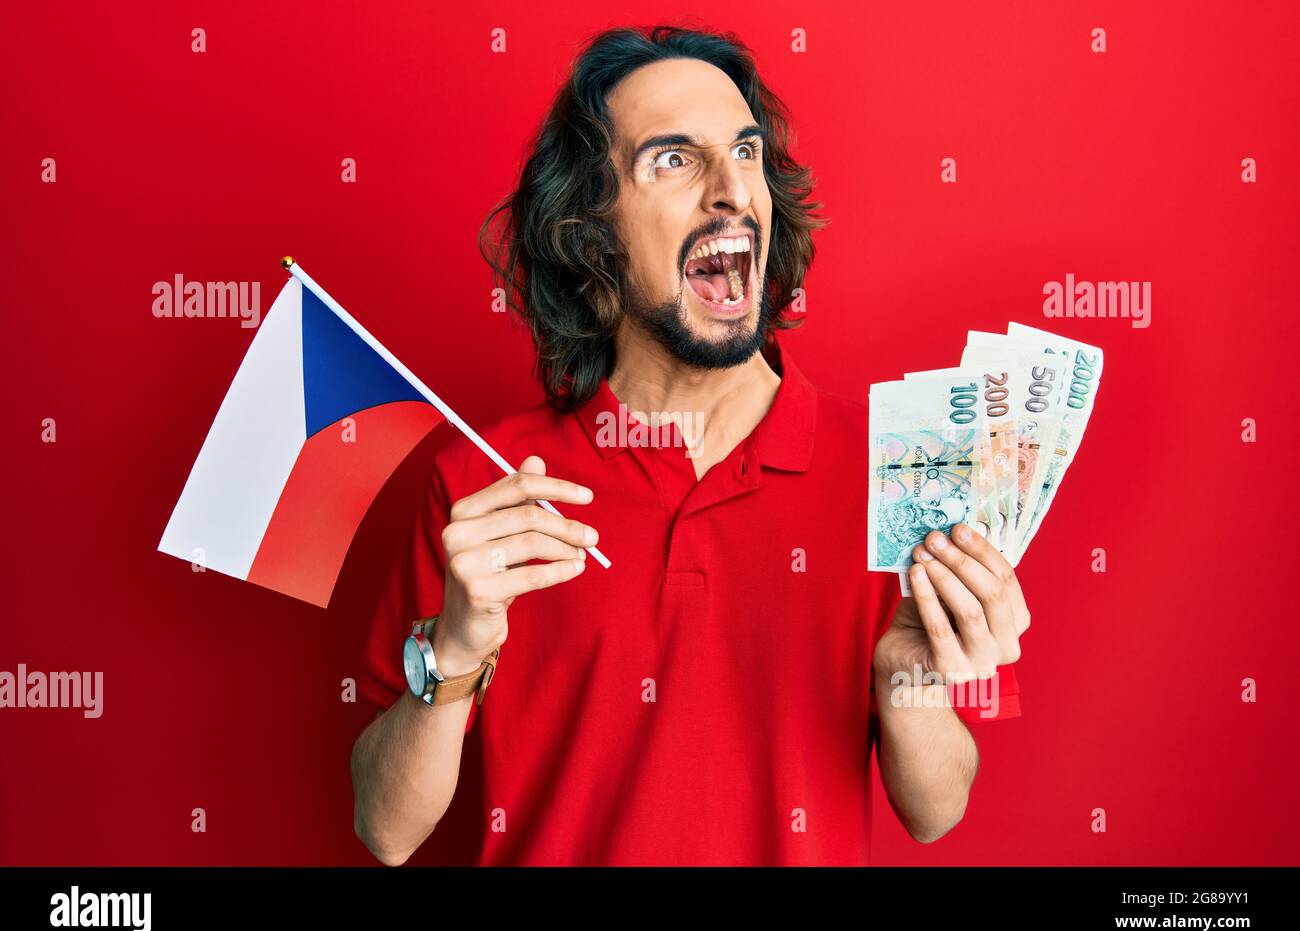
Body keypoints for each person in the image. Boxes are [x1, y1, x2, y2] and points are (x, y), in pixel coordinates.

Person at [349, 25, 1029, 866]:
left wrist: (906, 679)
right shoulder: (488, 484)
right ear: (592, 236)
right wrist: (453, 648)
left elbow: (938, 811)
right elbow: (386, 829)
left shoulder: (903, 466)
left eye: (744, 152)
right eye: (672, 160)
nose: (729, 189)